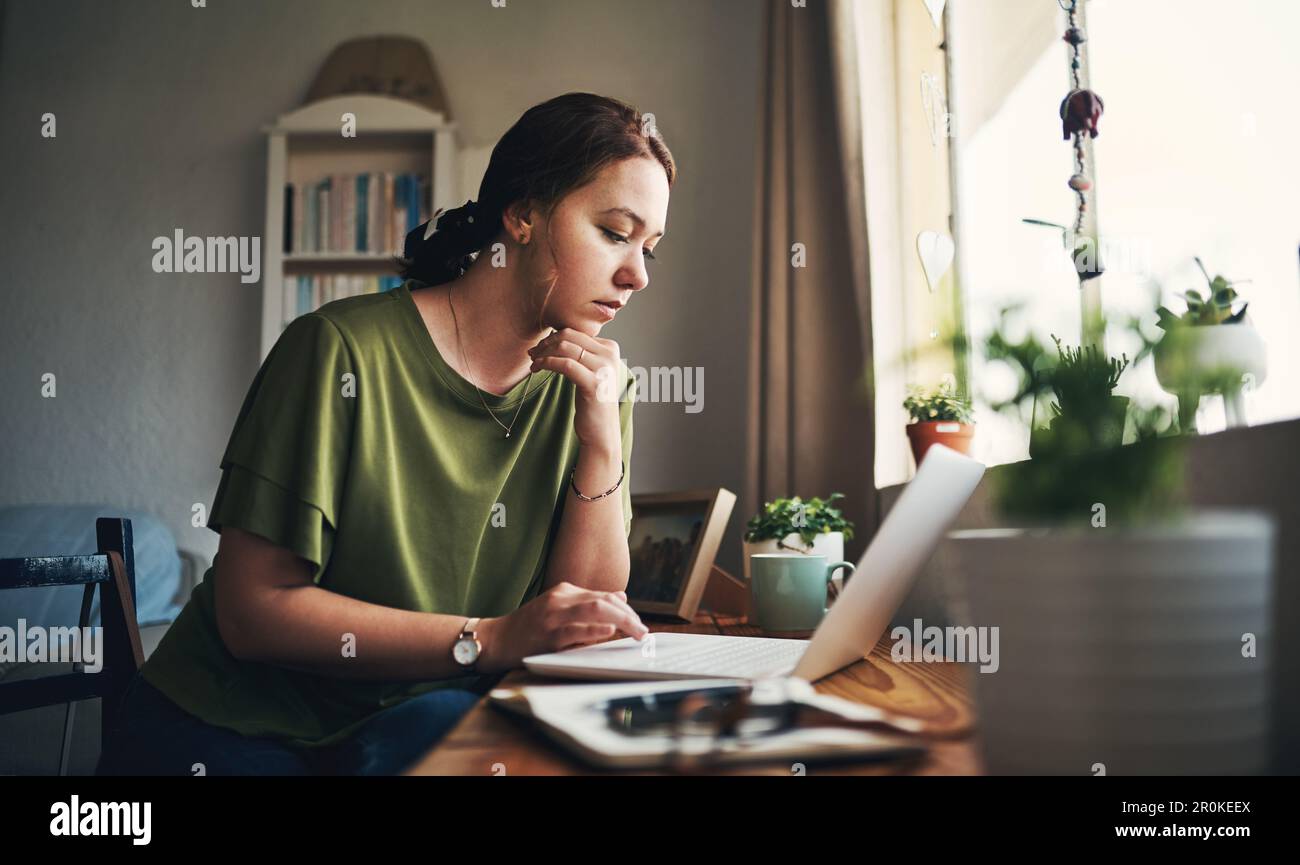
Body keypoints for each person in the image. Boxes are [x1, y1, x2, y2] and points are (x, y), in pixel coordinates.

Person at [96, 92, 675, 776]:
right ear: (522, 214)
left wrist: (602, 439)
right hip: (237, 723)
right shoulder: (337, 349)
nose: (637, 274)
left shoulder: (598, 388)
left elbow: (578, 623)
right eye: (614, 231)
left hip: (416, 717)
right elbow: (251, 613)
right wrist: (486, 638)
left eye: (650, 249)